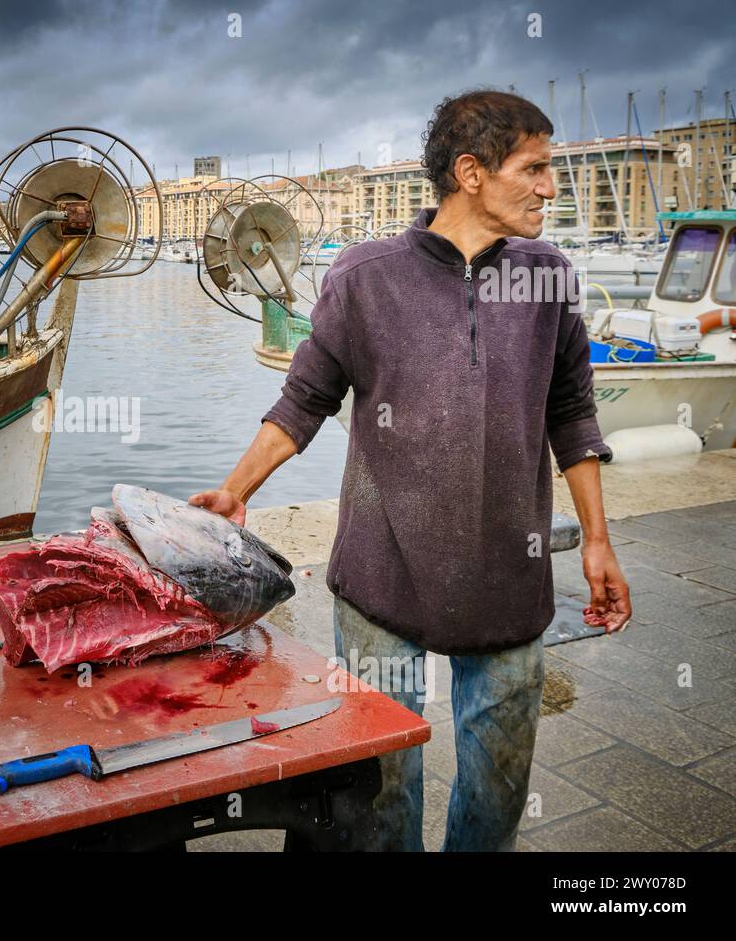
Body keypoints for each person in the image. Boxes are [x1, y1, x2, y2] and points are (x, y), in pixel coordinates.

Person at [189, 89, 632, 851]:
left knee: (496, 795)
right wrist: (233, 491)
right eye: (535, 169)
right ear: (471, 172)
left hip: (508, 578)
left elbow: (572, 414)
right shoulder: (366, 276)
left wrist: (596, 540)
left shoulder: (549, 278)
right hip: (380, 574)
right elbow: (305, 400)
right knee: (380, 796)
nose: (550, 188)